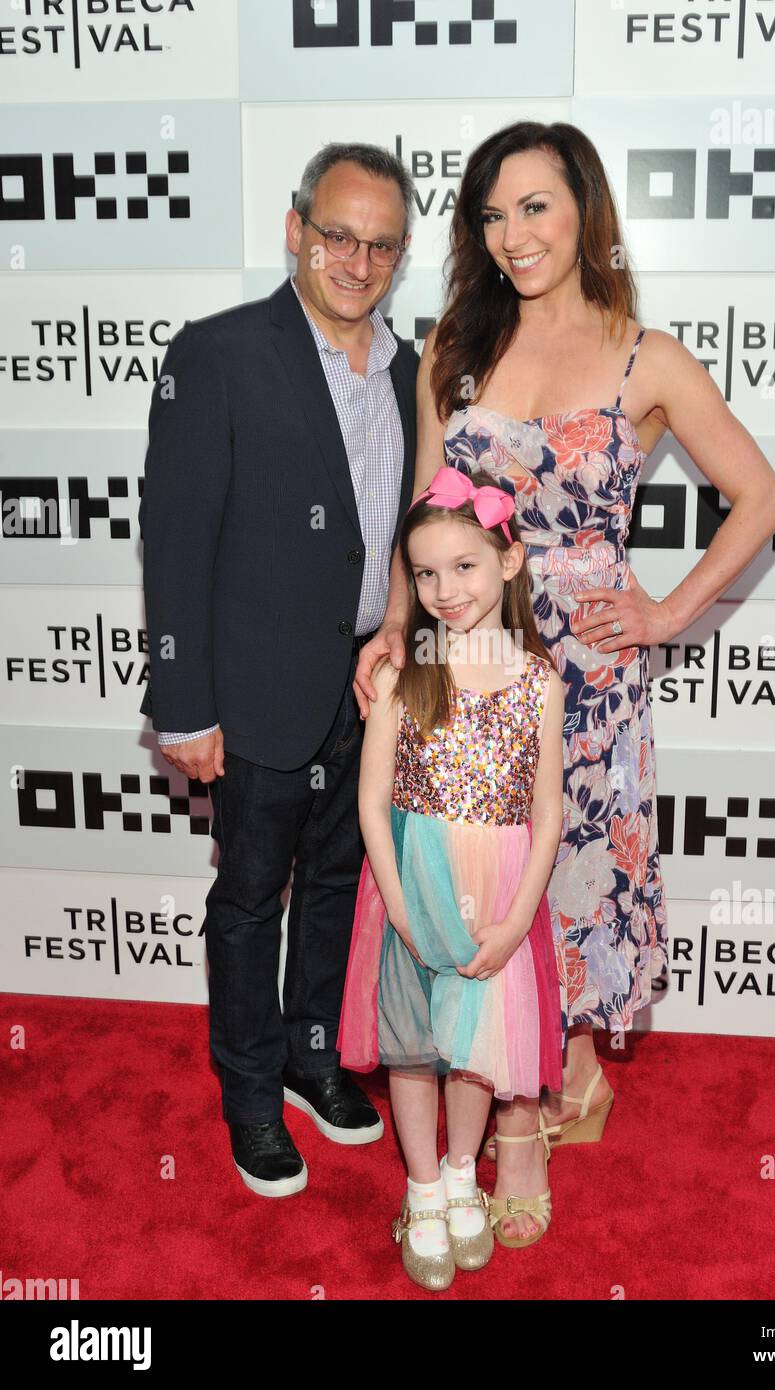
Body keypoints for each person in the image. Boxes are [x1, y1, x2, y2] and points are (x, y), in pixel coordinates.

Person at [353, 122, 775, 1165]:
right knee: (485, 874)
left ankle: (539, 1101)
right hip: (465, 668)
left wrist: (666, 612)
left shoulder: (647, 357)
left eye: (534, 207)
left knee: (572, 873)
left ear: (584, 210)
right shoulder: (456, 346)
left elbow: (760, 497)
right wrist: (394, 628)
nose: (512, 235)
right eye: (492, 215)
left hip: (590, 680)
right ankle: (501, 1090)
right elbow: (424, 508)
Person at [139, 144, 420, 1196]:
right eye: (337, 233)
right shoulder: (217, 352)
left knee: (343, 881)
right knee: (252, 898)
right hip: (252, 684)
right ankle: (250, 1090)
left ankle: (312, 1056)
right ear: (296, 228)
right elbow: (173, 538)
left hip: (367, 684)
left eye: (380, 242)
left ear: (399, 254)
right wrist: (184, 703)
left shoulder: (408, 366)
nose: (356, 259)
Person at [337, 465, 567, 1288]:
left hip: (501, 892)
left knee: (476, 1046)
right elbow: (370, 802)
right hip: (412, 883)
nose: (443, 589)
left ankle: (466, 1174)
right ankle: (423, 1187)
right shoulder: (406, 672)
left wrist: (513, 924)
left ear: (508, 561)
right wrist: (398, 906)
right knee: (411, 1045)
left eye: (463, 567)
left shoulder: (539, 682)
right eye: (425, 573)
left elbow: (547, 815)